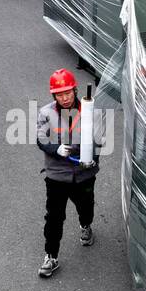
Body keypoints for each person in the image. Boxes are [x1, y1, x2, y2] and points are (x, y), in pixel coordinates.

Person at [36, 68, 105, 278]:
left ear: (75, 91)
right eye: (59, 94)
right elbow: (40, 139)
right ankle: (51, 256)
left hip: (84, 174)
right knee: (54, 217)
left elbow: (99, 140)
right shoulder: (46, 113)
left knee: (86, 206)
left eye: (68, 93)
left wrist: (93, 157)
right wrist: (54, 149)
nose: (64, 98)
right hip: (57, 175)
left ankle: (86, 225)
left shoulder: (90, 111)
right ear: (53, 95)